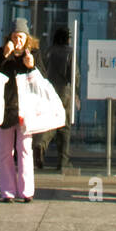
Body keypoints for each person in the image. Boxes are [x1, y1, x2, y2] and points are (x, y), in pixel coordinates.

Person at [0, 18, 42, 202]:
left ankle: (27, 191)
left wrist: (31, 66)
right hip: (5, 109)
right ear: (9, 37)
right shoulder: (0, 53)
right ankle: (8, 192)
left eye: (21, 36)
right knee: (5, 152)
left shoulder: (33, 54)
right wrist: (5, 56)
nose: (18, 40)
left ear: (27, 37)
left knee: (25, 150)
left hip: (25, 110)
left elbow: (41, 80)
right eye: (14, 36)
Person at [34, 26, 73, 172]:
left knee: (49, 122)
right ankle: (63, 161)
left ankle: (41, 144)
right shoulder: (70, 52)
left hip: (48, 91)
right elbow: (74, 75)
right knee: (65, 126)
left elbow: (42, 70)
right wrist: (76, 94)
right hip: (65, 92)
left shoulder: (48, 51)